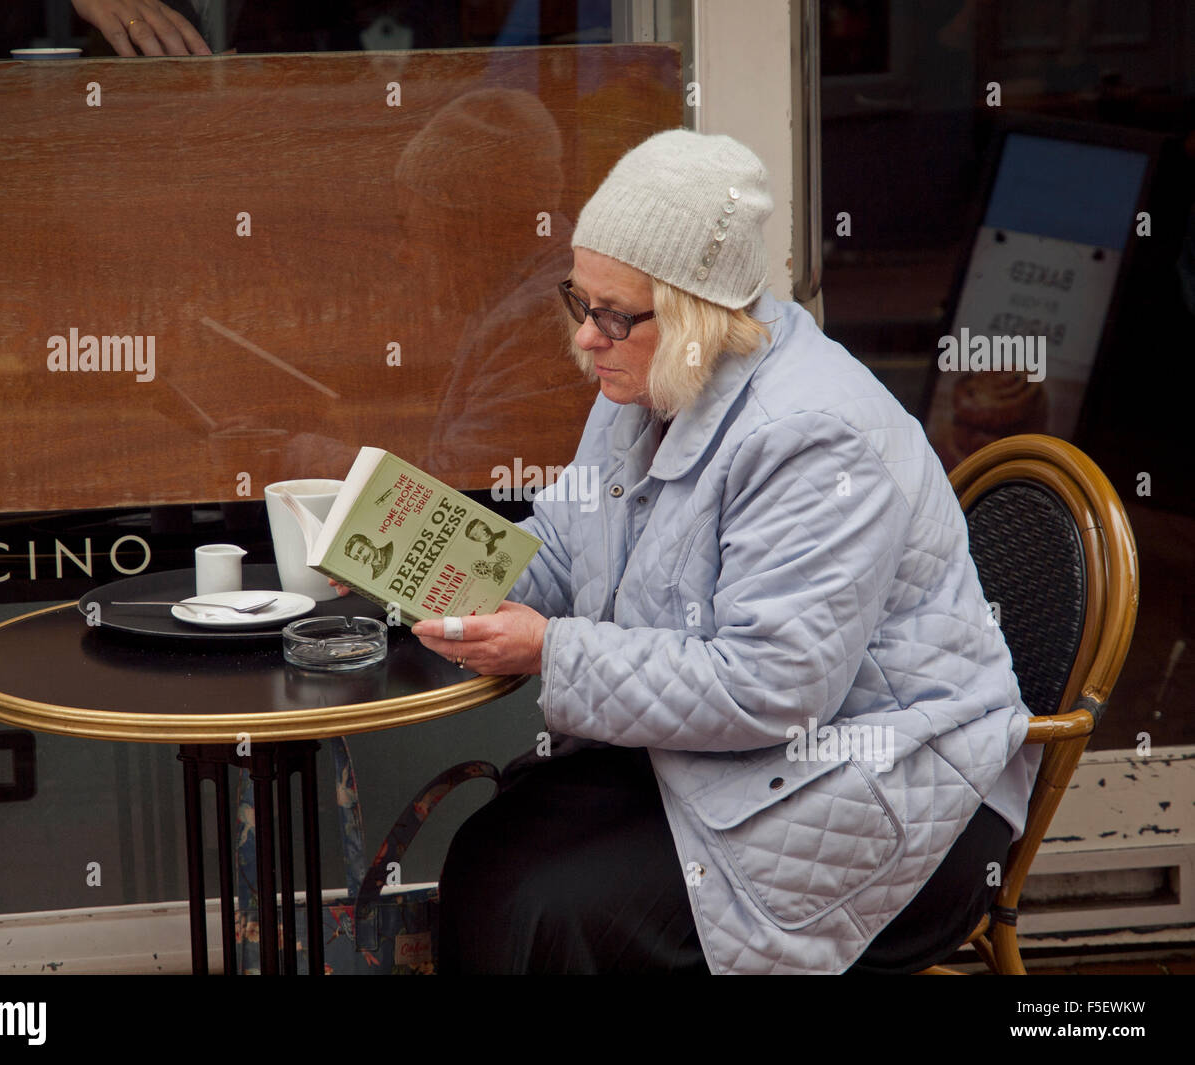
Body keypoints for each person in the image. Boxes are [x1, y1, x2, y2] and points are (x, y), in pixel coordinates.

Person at [337, 129, 1039, 975]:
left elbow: (774, 687)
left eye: (614, 315)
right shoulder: (644, 381)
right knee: (493, 851)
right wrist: (442, 566)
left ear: (702, 318)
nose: (587, 338)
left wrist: (550, 650)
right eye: (580, 301)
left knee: (547, 901)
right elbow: (566, 544)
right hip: (739, 765)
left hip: (889, 791)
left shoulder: (813, 437)